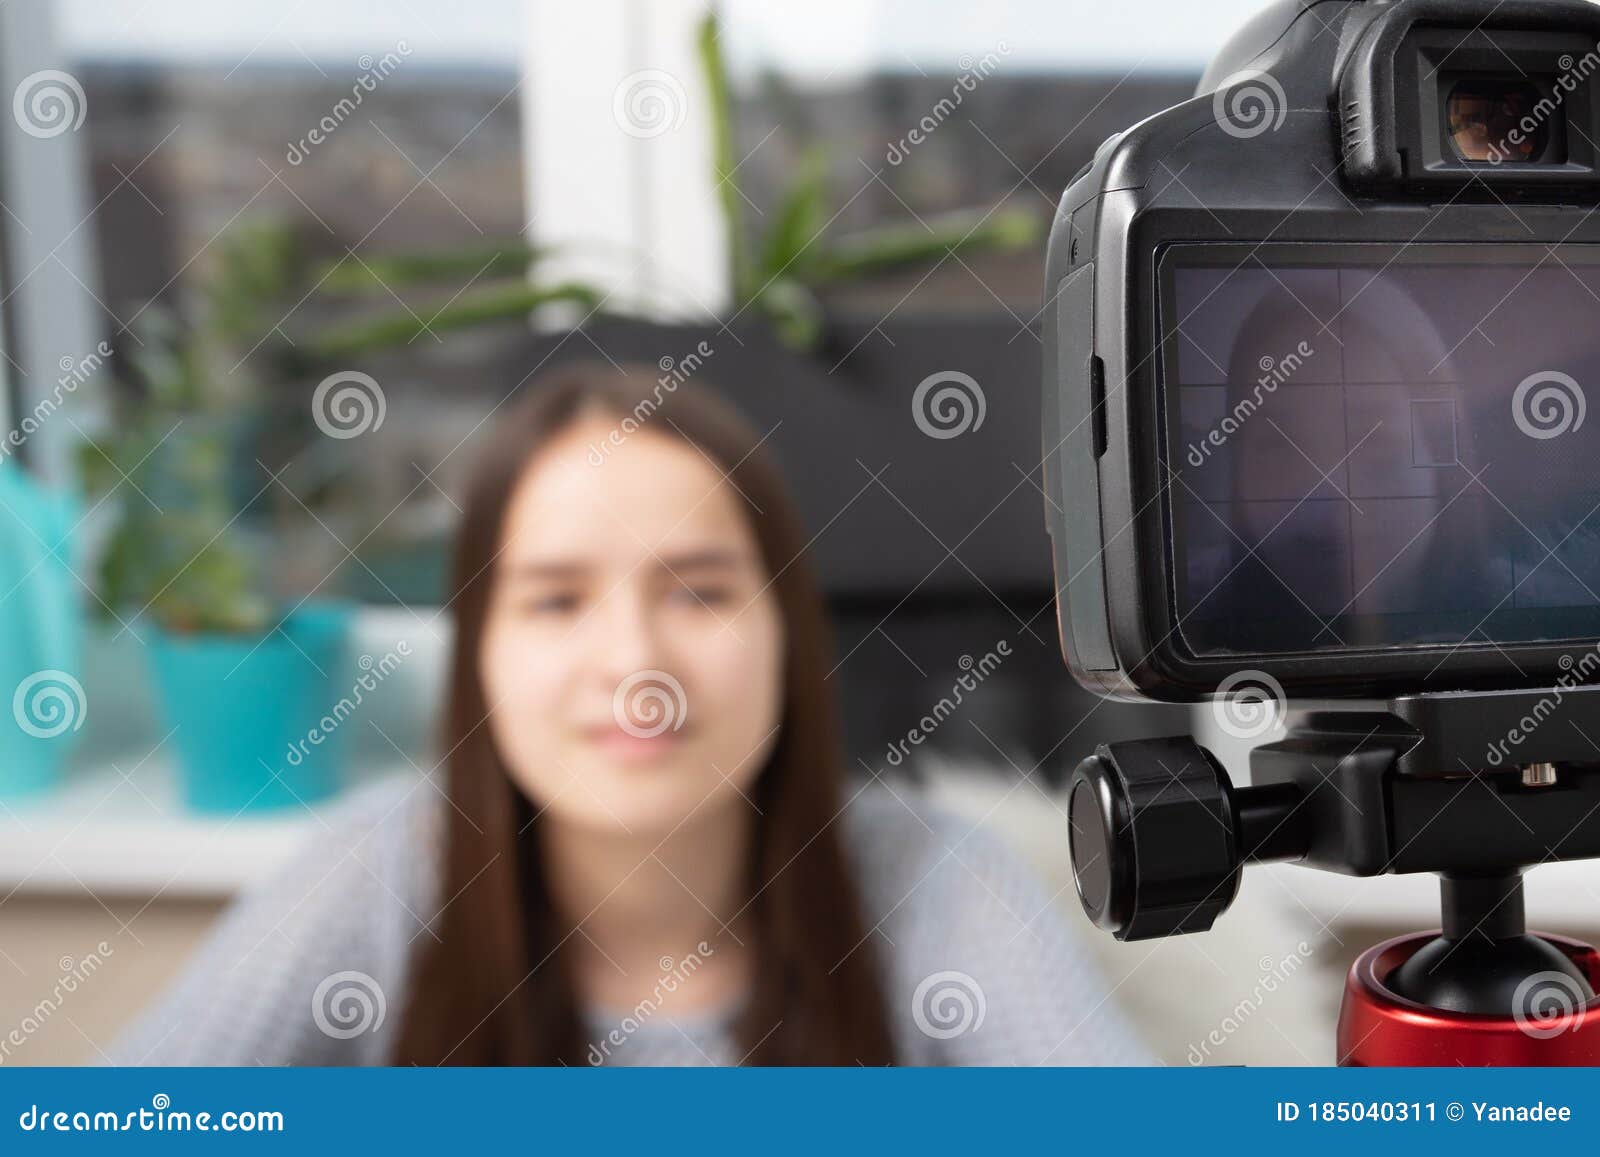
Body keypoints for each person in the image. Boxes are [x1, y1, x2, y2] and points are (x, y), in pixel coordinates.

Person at [108, 361, 1149, 1066]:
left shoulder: (933, 882)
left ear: (785, 631)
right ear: (480, 653)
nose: (636, 663)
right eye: (556, 600)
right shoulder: (376, 877)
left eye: (697, 591)